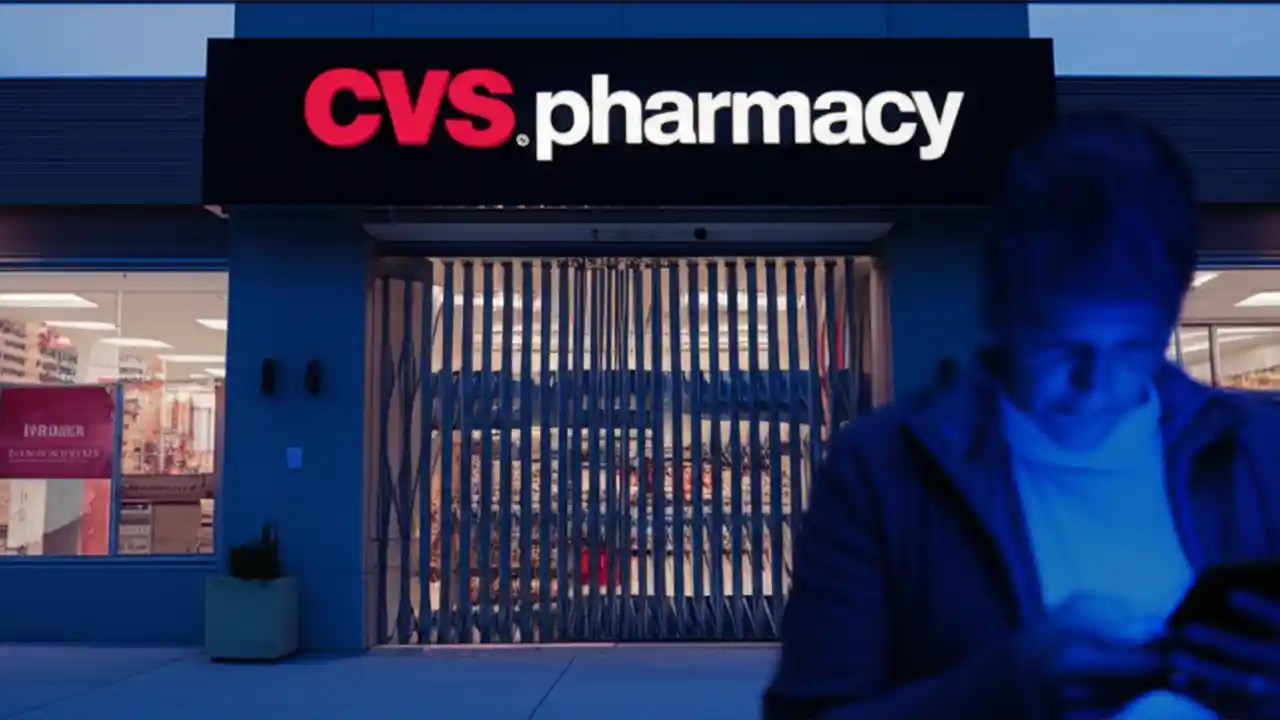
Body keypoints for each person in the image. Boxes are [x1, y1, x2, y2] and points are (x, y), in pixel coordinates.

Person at [764, 114, 1280, 719]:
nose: (1096, 385)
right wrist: (1005, 688)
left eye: (1134, 347)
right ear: (1001, 310)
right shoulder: (886, 470)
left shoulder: (1260, 452)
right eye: (1062, 346)